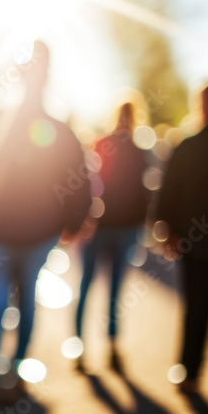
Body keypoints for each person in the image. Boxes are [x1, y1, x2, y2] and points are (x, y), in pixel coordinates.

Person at [0, 41, 91, 393]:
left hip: (27, 233)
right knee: (9, 300)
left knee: (16, 299)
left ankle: (5, 370)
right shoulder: (10, 127)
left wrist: (74, 220)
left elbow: (76, 180)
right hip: (4, 232)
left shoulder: (50, 131)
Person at [74, 102, 151, 373]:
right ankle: (103, 346)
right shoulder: (138, 151)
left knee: (92, 286)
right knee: (111, 290)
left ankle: (84, 346)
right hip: (117, 228)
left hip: (107, 226)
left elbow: (91, 184)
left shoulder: (105, 145)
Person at [156, 83, 208, 393]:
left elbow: (167, 193)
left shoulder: (187, 147)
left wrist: (168, 229)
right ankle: (189, 371)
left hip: (194, 245)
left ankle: (189, 373)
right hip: (194, 244)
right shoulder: (185, 147)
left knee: (195, 309)